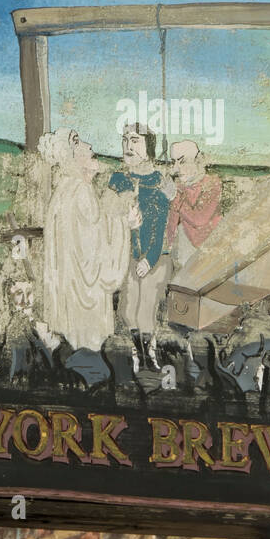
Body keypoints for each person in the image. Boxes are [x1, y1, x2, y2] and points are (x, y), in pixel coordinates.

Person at [38, 126, 139, 354]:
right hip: (83, 302)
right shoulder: (79, 191)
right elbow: (95, 252)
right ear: (69, 158)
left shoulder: (67, 189)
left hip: (70, 297)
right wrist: (125, 222)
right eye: (77, 142)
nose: (89, 146)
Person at [108, 121, 174, 369]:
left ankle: (150, 351)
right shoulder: (117, 180)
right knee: (128, 304)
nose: (128, 146)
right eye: (125, 140)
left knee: (147, 300)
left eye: (135, 140)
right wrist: (120, 220)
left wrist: (149, 259)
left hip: (155, 255)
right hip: (125, 255)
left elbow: (160, 227)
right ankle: (136, 349)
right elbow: (106, 215)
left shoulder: (160, 183)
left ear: (149, 146)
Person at [165, 140, 222, 270]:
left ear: (198, 160)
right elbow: (172, 224)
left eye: (182, 161)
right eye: (174, 162)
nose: (175, 169)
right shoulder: (178, 185)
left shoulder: (212, 184)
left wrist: (175, 198)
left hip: (207, 252)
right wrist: (169, 247)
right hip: (182, 253)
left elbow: (199, 219)